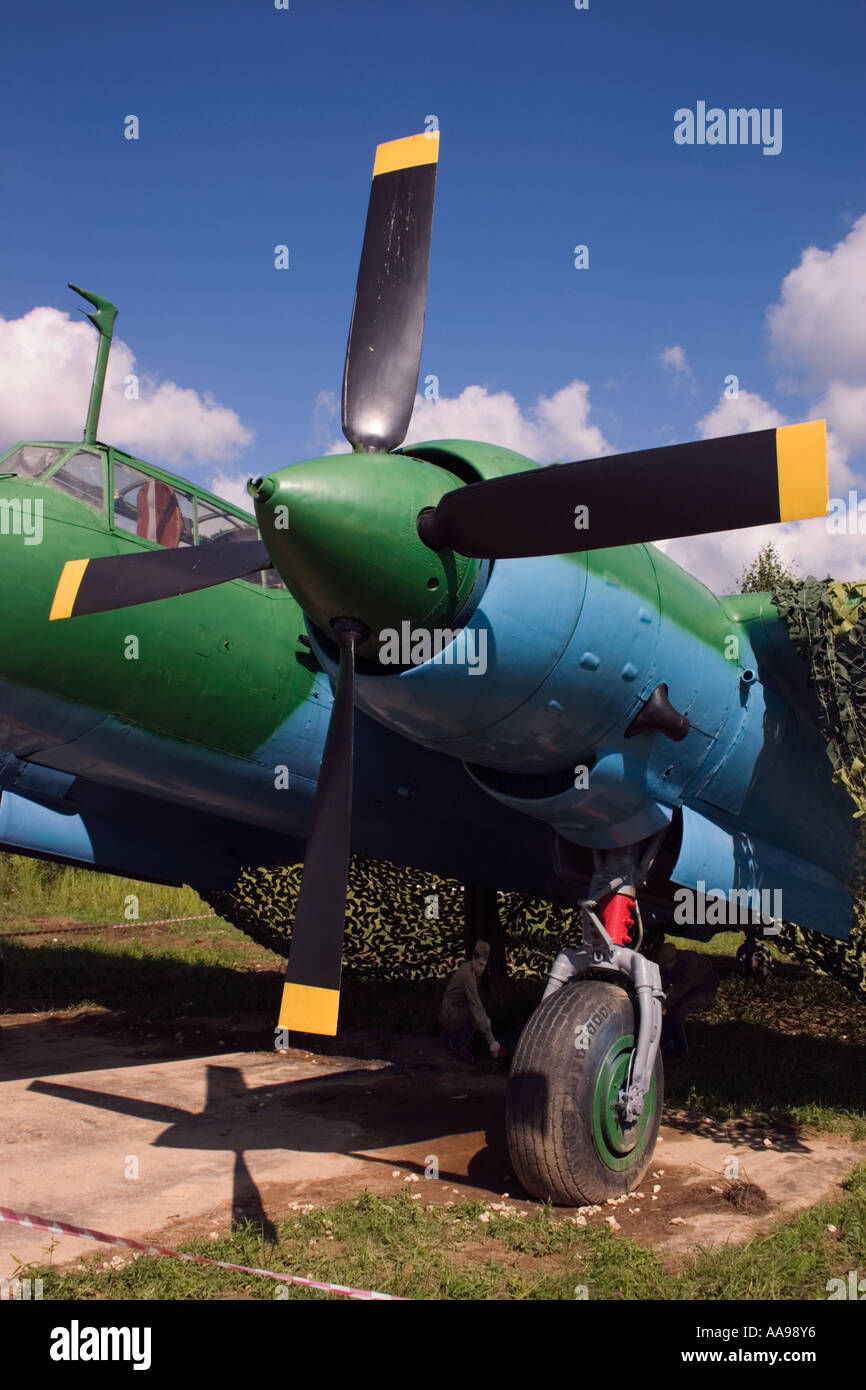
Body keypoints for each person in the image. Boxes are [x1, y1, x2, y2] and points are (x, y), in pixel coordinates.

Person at [439, 940, 503, 1062]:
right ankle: (458, 1045)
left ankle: (446, 1038)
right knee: (475, 1015)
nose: (482, 969)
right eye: (480, 964)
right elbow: (476, 1005)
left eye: (484, 965)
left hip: (449, 1010)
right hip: (449, 1013)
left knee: (478, 1014)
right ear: (473, 958)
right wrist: (491, 1041)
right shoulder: (468, 976)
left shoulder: (468, 967)